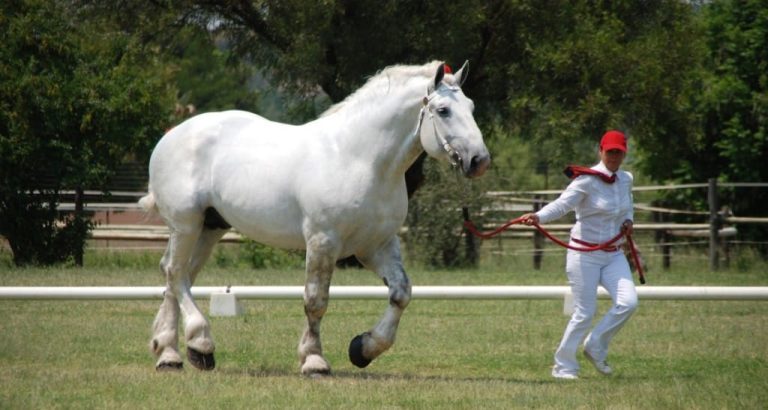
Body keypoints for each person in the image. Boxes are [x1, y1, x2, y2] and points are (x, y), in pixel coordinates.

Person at [520, 130, 638, 380]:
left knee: (628, 303)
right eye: (610, 151)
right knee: (584, 313)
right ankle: (564, 367)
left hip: (614, 254)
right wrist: (538, 217)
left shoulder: (626, 179)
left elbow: (628, 206)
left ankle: (595, 346)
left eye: (619, 152)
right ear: (601, 151)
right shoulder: (586, 180)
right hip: (584, 254)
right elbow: (562, 205)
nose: (615, 156)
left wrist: (628, 220)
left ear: (624, 153)